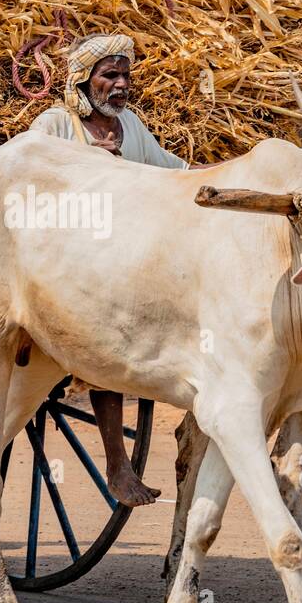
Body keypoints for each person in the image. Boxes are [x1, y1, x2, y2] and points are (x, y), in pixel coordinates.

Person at [27, 32, 195, 506]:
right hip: (58, 269)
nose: (120, 84)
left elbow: (172, 172)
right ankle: (118, 466)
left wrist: (218, 179)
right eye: (110, 75)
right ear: (83, 79)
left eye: (125, 75)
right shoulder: (54, 126)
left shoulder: (132, 129)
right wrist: (85, 165)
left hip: (115, 270)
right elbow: (22, 183)